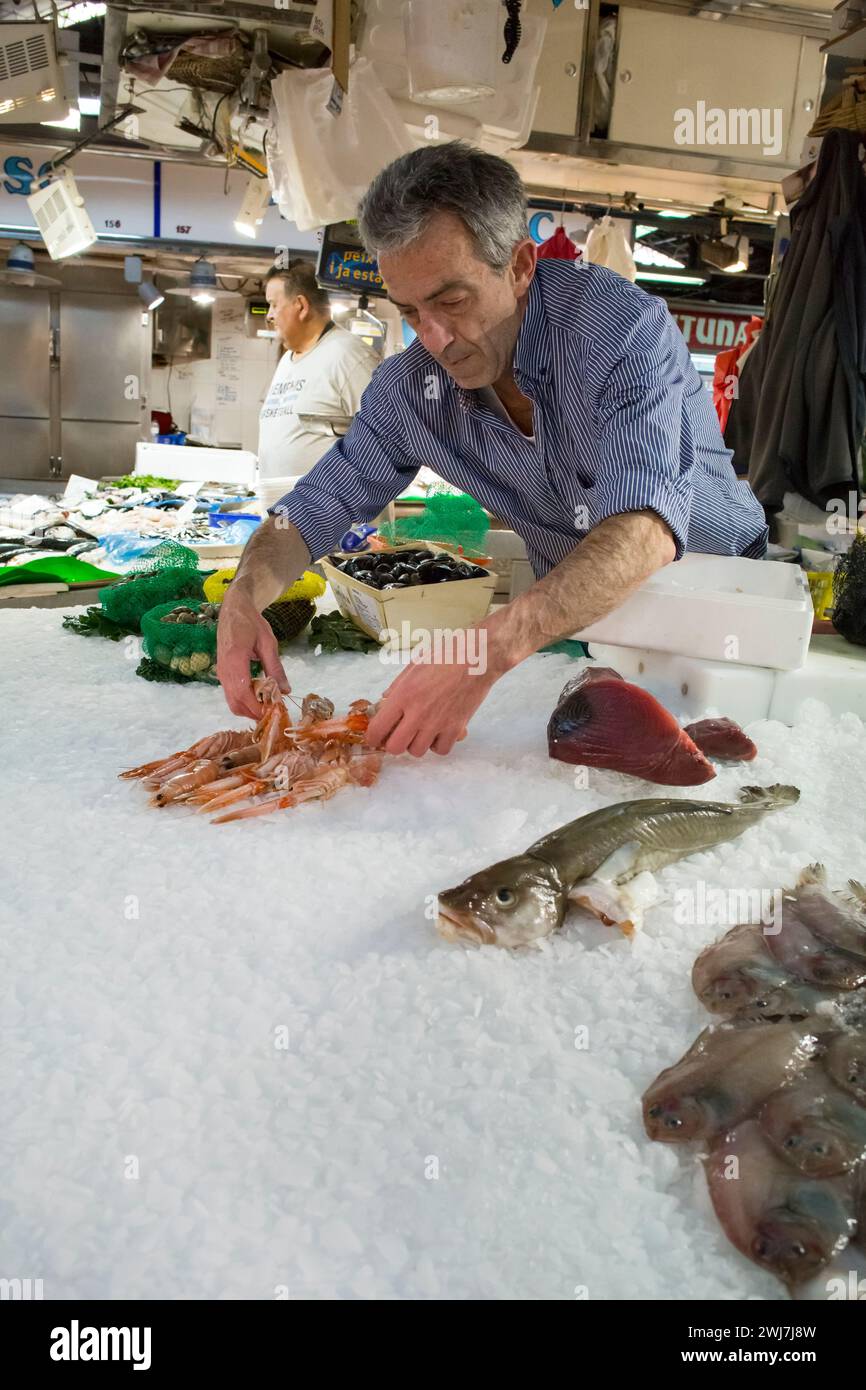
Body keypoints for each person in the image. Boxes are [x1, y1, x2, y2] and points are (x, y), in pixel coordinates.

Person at [218, 142, 769, 757]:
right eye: (410, 311)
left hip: (727, 613)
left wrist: (480, 653)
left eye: (452, 301)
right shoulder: (411, 387)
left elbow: (644, 530)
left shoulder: (620, 330)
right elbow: (316, 508)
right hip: (585, 618)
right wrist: (244, 596)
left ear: (520, 265)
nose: (435, 338)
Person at [256, 260, 379, 509]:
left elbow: (385, 438)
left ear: (301, 306)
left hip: (332, 522)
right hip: (284, 515)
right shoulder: (287, 361)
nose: (269, 315)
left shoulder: (348, 355)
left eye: (273, 304)